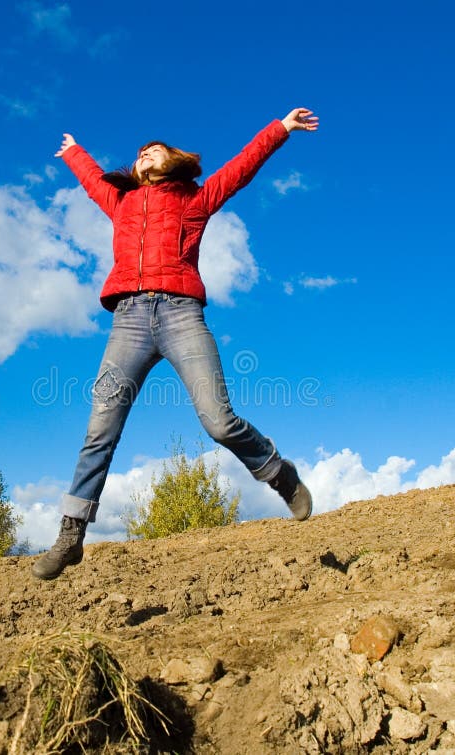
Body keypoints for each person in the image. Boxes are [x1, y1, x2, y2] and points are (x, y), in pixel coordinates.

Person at [32, 107, 319, 581]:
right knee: (100, 425)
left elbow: (242, 166)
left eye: (156, 149)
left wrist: (281, 128)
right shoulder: (120, 203)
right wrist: (74, 153)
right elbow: (90, 181)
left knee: (219, 421)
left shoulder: (195, 199)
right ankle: (71, 533)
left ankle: (279, 473)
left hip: (181, 314)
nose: (145, 152)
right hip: (128, 321)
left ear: (174, 161)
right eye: (140, 152)